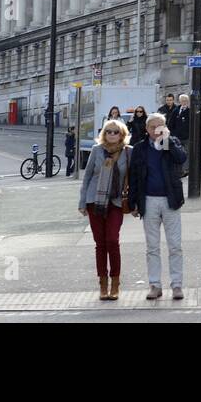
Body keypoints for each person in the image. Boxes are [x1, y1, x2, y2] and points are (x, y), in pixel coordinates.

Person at [129, 112, 187, 299]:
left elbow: (181, 158)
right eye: (153, 127)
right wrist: (133, 203)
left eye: (160, 126)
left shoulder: (172, 142)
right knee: (152, 247)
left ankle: (177, 285)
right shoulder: (140, 148)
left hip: (170, 199)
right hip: (148, 200)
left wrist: (167, 141)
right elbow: (134, 177)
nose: (156, 130)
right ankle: (155, 285)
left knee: (175, 246)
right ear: (146, 129)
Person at [77, 118, 132, 301]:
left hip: (116, 202)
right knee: (100, 243)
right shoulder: (96, 150)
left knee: (112, 240)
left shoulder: (127, 152)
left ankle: (115, 283)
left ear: (122, 134)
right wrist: (82, 202)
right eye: (109, 131)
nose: (112, 134)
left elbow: (133, 179)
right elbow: (87, 177)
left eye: (116, 131)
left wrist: (135, 204)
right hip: (95, 201)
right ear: (104, 134)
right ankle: (103, 284)